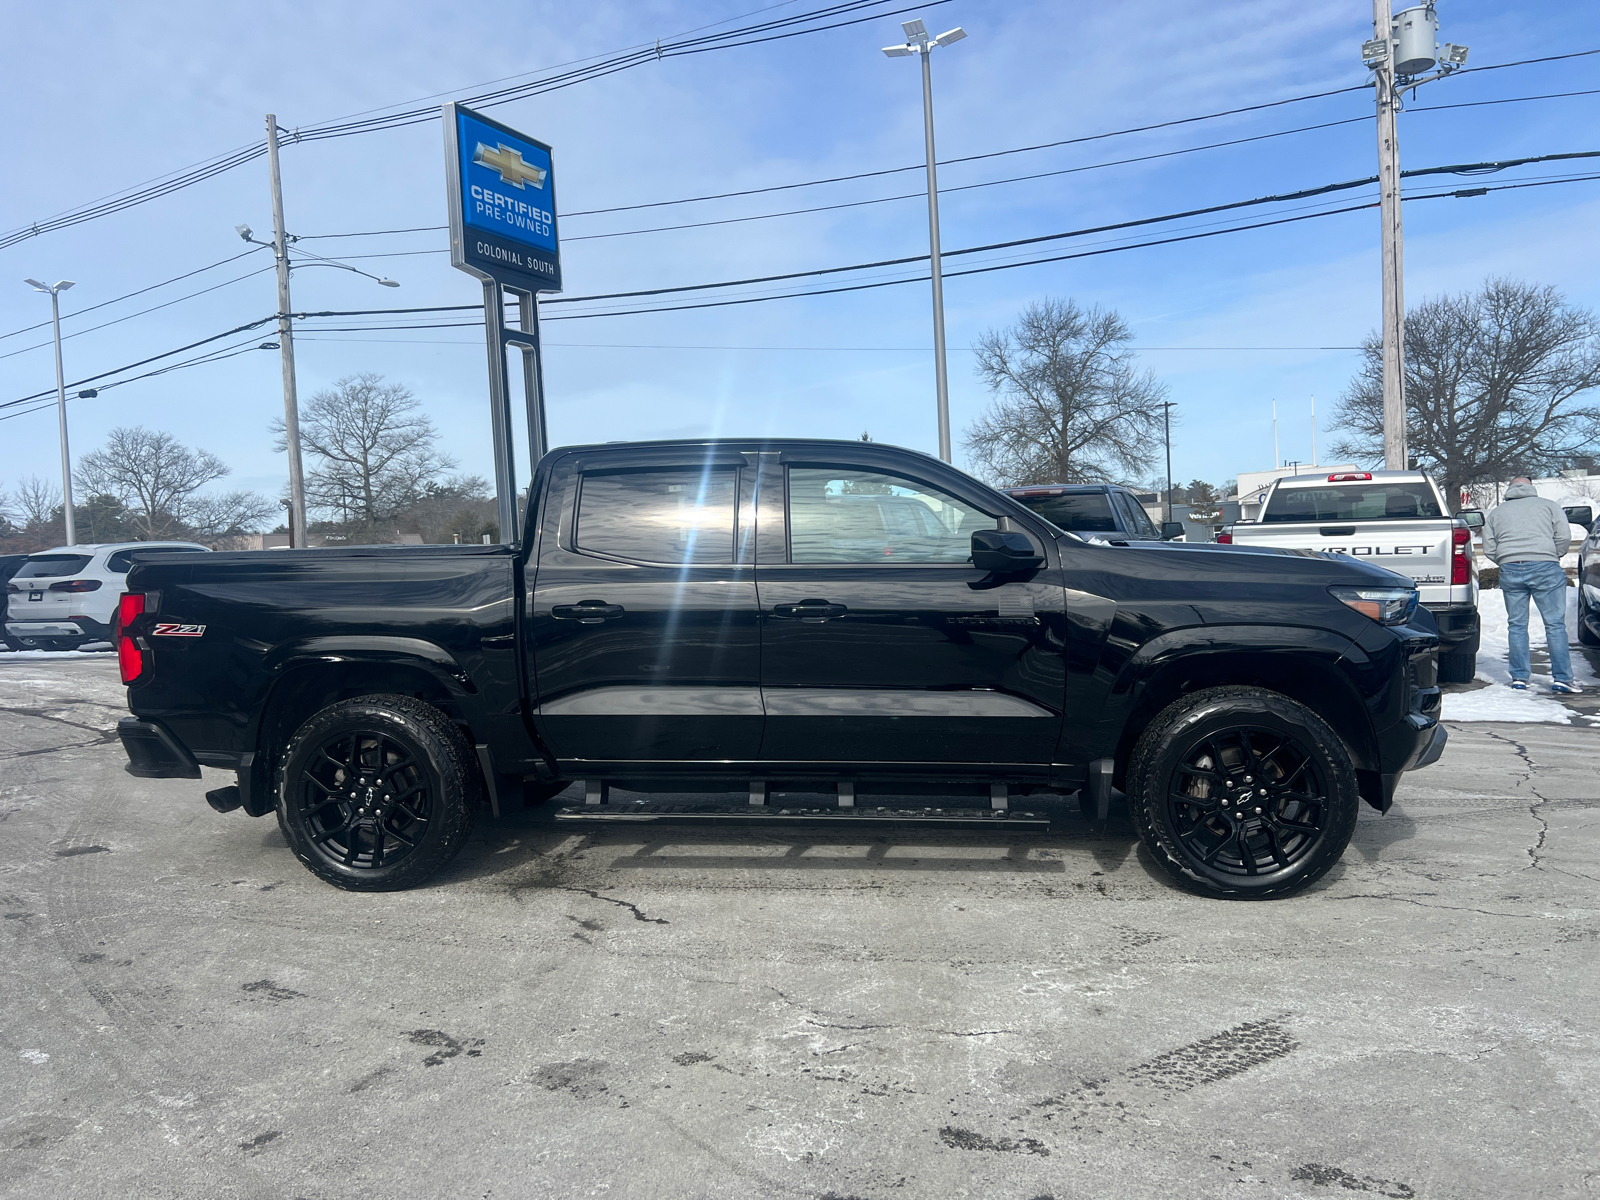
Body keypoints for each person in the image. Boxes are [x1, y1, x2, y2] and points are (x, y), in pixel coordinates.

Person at [1483, 477, 1579, 694]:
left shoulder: (1497, 512)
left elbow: (1488, 545)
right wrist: (1554, 555)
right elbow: (1564, 536)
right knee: (1554, 625)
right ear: (1530, 486)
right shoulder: (1549, 506)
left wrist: (1504, 559)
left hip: (1510, 569)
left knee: (1516, 625)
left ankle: (1519, 678)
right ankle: (1563, 678)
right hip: (1545, 566)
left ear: (1510, 489)